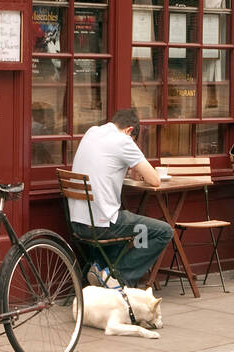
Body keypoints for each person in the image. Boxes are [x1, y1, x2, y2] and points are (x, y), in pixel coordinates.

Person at [68, 109, 173, 288]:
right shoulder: (123, 141)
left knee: (122, 223)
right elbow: (154, 180)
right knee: (162, 231)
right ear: (129, 130)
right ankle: (115, 277)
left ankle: (100, 269)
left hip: (78, 223)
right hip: (102, 226)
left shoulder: (92, 132)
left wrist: (132, 170)